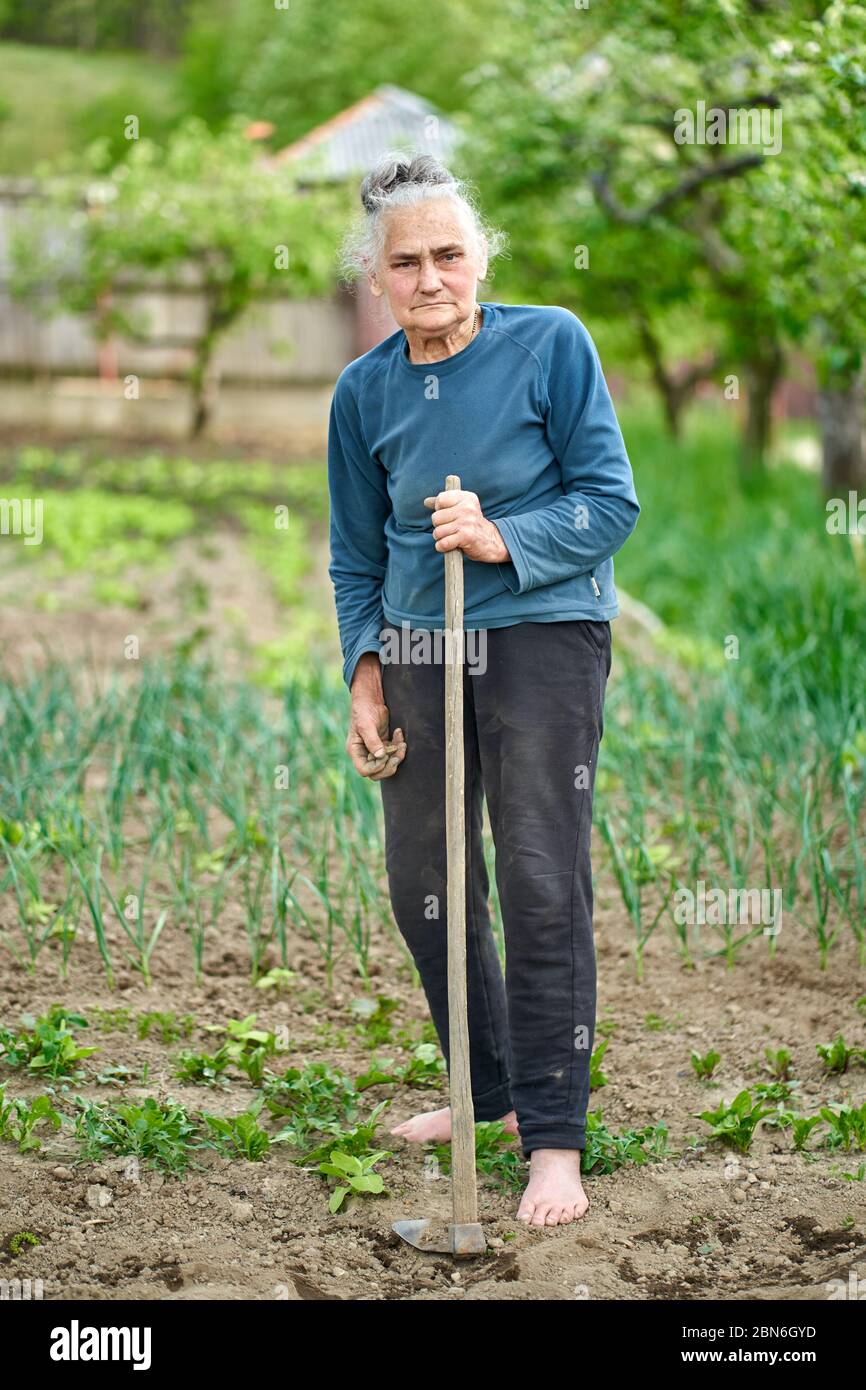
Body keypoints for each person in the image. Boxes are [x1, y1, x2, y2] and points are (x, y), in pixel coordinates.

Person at [327, 150, 640, 1226]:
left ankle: (553, 1140)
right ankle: (487, 1097)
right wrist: (364, 671)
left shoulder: (548, 343)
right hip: (417, 650)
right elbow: (353, 557)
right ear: (374, 276)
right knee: (425, 881)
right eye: (405, 261)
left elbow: (609, 501)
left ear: (480, 258)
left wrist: (503, 536)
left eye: (447, 255)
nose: (428, 278)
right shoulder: (361, 392)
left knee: (540, 880)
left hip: (541, 638)